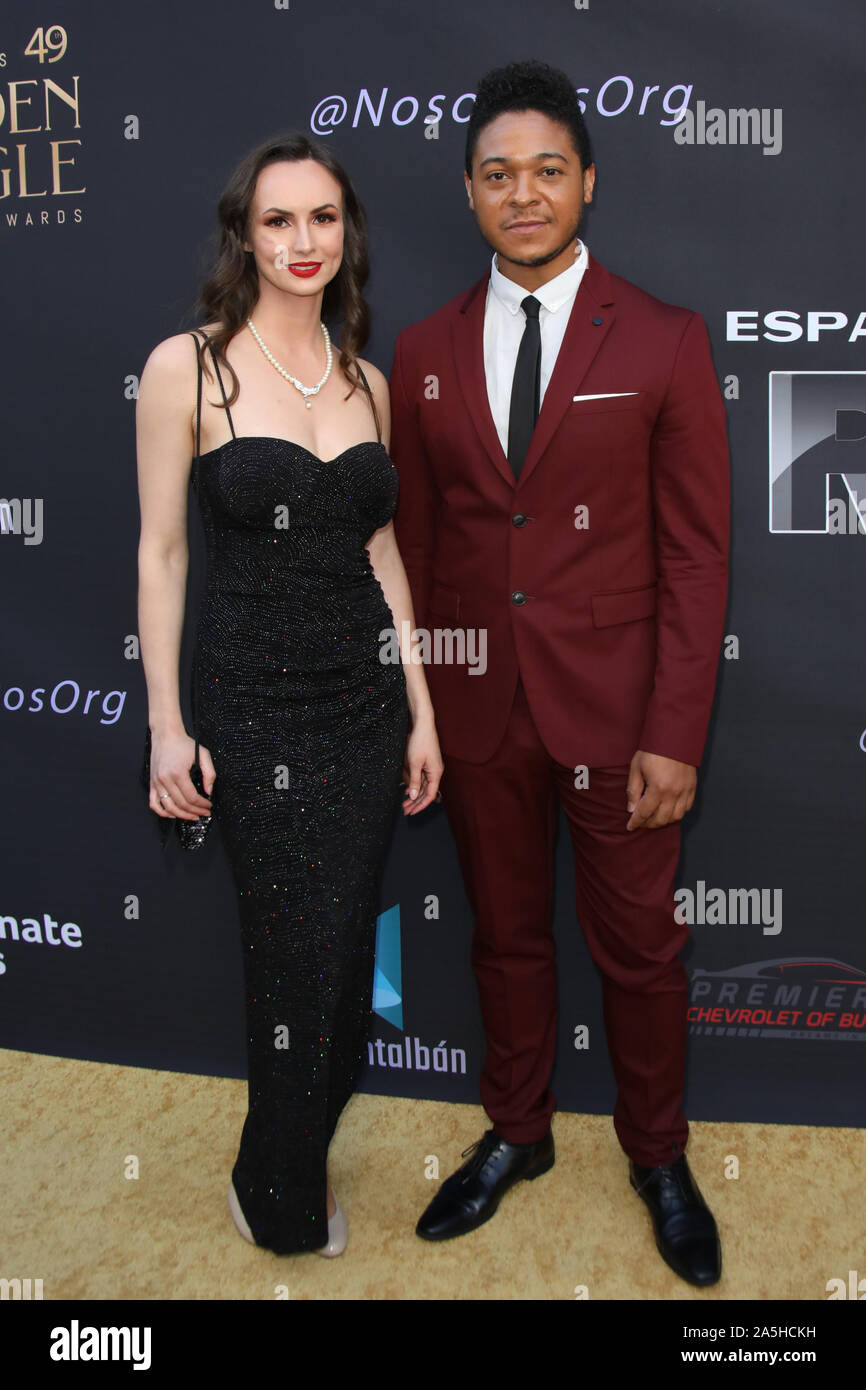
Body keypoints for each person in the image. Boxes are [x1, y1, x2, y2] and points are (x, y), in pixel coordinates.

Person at [389, 61, 729, 1287]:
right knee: (504, 939)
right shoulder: (421, 349)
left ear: (586, 179)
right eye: (496, 175)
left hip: (622, 717)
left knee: (638, 951)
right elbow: (416, 554)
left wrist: (675, 730)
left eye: (544, 170)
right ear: (469, 194)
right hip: (481, 712)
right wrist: (423, 706)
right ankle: (517, 1134)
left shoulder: (664, 338)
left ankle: (657, 1158)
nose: (521, 194)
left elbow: (696, 555)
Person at [136, 132, 442, 1257]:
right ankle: (274, 1189)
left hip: (363, 706)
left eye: (322, 218)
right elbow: (162, 554)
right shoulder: (191, 367)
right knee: (292, 954)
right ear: (244, 235)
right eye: (277, 220)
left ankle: (291, 1138)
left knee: (339, 960)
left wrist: (422, 705)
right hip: (253, 703)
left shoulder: (367, 379)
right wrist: (168, 725)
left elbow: (386, 554)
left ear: (346, 232)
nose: (302, 242)